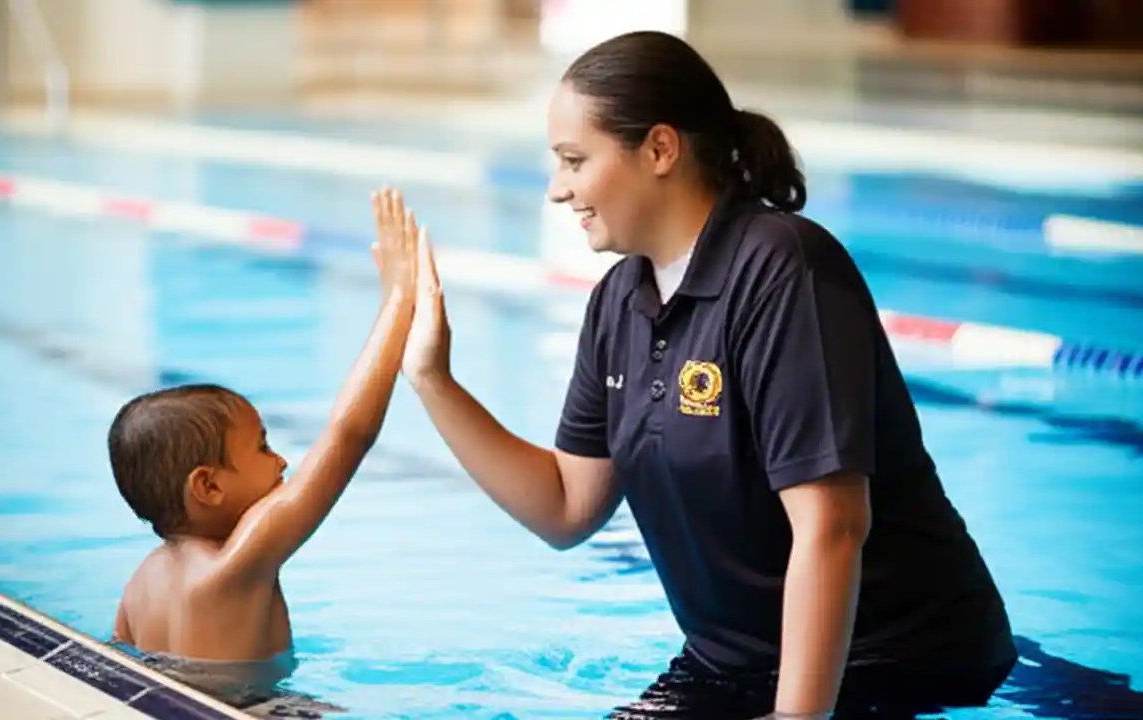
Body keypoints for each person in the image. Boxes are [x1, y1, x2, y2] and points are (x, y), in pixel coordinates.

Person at [400, 31, 1016, 720]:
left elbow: (832, 525)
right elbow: (567, 508)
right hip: (732, 666)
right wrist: (432, 378)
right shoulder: (619, 302)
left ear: (660, 150)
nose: (557, 189)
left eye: (575, 160)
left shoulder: (784, 271)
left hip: (893, 661)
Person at [106, 188, 426, 716]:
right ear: (207, 485)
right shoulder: (235, 565)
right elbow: (347, 437)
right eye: (262, 447)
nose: (281, 462)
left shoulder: (141, 583)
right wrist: (398, 298)